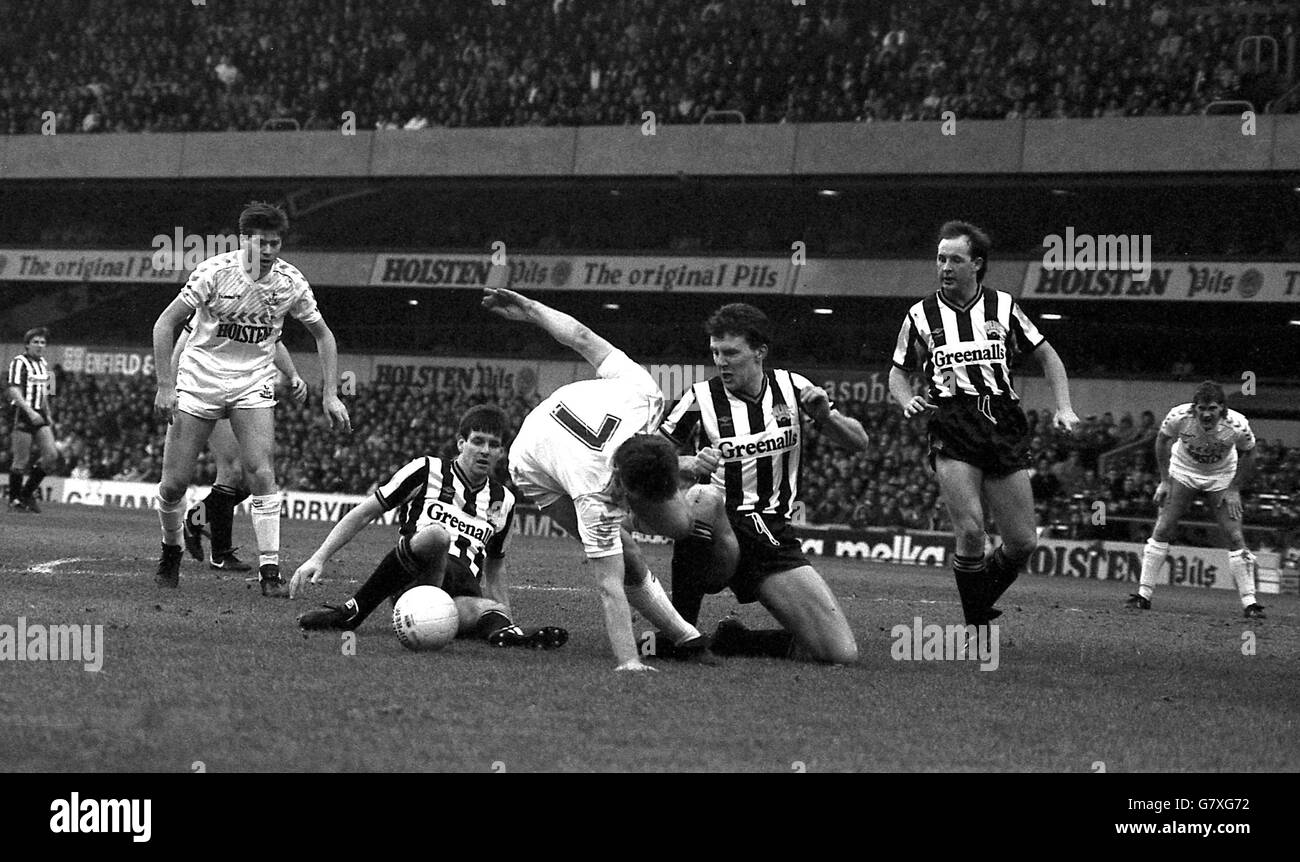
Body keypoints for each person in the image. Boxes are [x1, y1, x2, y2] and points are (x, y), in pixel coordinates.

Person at [484, 287, 732, 672]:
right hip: (535, 465)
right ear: (624, 487)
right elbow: (608, 585)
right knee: (626, 556)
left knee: (681, 525)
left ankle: (685, 634)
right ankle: (687, 638)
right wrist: (629, 661)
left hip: (581, 429)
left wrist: (533, 309)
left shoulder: (645, 393)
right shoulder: (594, 497)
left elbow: (581, 337)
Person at [150, 201, 351, 593]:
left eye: (276, 243)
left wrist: (331, 394)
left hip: (252, 383)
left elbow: (322, 335)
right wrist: (164, 385)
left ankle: (270, 571)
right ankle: (170, 550)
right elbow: (165, 323)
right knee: (173, 485)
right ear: (244, 240)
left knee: (260, 471)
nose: (271, 251)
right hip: (200, 379)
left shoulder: (290, 282)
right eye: (263, 243)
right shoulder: (214, 273)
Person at [888, 220, 1079, 629]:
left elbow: (1049, 356)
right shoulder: (920, 315)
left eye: (955, 259)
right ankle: (976, 622)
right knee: (971, 531)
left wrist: (1062, 406)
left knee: (1024, 542)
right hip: (953, 421)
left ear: (976, 263)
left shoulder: (1004, 307)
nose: (945, 267)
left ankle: (978, 598)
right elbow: (897, 372)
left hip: (1002, 421)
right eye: (940, 259)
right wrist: (906, 401)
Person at [659, 303, 866, 664]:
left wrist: (827, 416)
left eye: (731, 353)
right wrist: (685, 463)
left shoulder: (794, 387)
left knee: (841, 654)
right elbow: (648, 459)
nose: (721, 362)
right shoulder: (699, 398)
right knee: (702, 498)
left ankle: (738, 640)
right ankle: (681, 636)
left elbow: (858, 442)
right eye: (715, 353)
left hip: (772, 535)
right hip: (721, 532)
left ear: (759, 352)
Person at [289, 405, 568, 648]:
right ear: (461, 443)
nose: (484, 450)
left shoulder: (504, 500)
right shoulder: (426, 470)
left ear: (501, 452)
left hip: (460, 595)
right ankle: (352, 612)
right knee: (437, 536)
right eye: (477, 441)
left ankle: (507, 636)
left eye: (493, 444)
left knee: (491, 610)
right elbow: (364, 513)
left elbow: (495, 567)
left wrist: (507, 617)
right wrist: (318, 557)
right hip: (416, 580)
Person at [171, 317, 310, 571]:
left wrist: (293, 375)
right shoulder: (215, 299)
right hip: (209, 389)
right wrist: (170, 388)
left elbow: (274, 342)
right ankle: (220, 552)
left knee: (251, 479)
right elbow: (182, 343)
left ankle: (196, 518)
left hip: (247, 395)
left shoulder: (260, 306)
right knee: (232, 469)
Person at [1126, 381, 1265, 619]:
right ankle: (1143, 595)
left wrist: (1234, 488)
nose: (1206, 413)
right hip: (1184, 471)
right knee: (1163, 527)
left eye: (1212, 408)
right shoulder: (1179, 416)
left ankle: (1250, 604)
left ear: (1223, 408)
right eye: (1201, 408)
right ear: (1194, 408)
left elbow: (1251, 453)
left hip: (1221, 475)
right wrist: (1165, 480)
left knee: (1234, 535)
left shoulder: (1237, 426)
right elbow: (1161, 440)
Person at [6, 327, 58, 513]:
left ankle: (26, 494)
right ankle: (14, 500)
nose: (39, 345)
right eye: (35, 342)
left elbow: (46, 392)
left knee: (51, 456)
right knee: (21, 459)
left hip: (40, 413)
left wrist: (48, 414)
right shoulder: (19, 362)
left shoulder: (44, 364)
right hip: (22, 413)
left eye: (42, 342)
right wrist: (29, 411)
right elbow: (13, 389)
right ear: (27, 344)